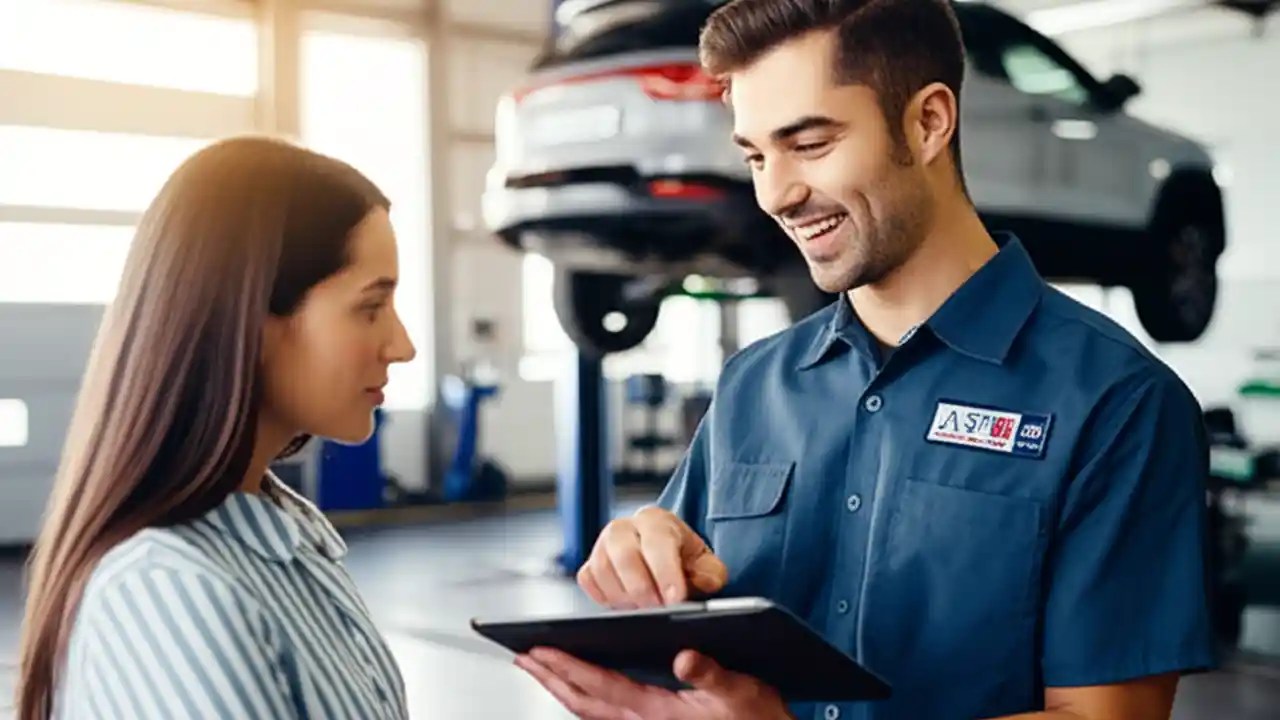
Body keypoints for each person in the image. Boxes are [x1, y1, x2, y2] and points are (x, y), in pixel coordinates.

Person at [514, 1, 1216, 719]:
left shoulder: (1117, 403)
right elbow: (694, 633)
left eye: (810, 144)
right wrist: (647, 550)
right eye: (756, 154)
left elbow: (1105, 718)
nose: (777, 193)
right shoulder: (754, 386)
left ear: (929, 122)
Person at [15, 136, 417, 719]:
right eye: (371, 308)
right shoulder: (170, 591)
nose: (402, 346)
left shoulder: (283, 539)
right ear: (252, 323)